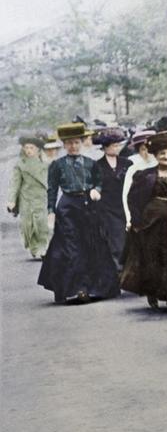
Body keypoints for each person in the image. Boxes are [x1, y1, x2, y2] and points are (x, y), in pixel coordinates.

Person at [37, 123, 122, 304]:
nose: (73, 146)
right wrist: (51, 211)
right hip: (68, 206)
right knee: (71, 248)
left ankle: (97, 288)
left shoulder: (91, 163)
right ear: (64, 145)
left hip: (88, 206)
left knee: (93, 245)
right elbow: (52, 190)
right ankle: (77, 289)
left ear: (82, 142)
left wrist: (96, 190)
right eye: (69, 143)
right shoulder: (57, 165)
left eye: (76, 142)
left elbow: (98, 181)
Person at [121, 131, 167, 310]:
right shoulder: (144, 176)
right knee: (153, 259)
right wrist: (136, 222)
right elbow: (133, 199)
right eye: (162, 154)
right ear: (155, 155)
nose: (166, 157)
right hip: (152, 223)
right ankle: (153, 292)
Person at [91, 127, 130, 270]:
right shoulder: (97, 166)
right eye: (114, 145)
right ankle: (118, 271)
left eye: (119, 145)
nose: (117, 148)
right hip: (107, 208)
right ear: (105, 147)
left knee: (129, 240)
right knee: (116, 240)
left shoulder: (127, 163)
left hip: (126, 206)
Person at [7, 136, 52, 259]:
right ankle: (34, 248)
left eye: (31, 148)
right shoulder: (20, 165)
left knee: (42, 224)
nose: (28, 150)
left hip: (42, 198)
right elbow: (15, 184)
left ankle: (44, 247)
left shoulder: (46, 164)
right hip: (26, 198)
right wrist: (11, 200)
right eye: (26, 148)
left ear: (38, 149)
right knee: (28, 225)